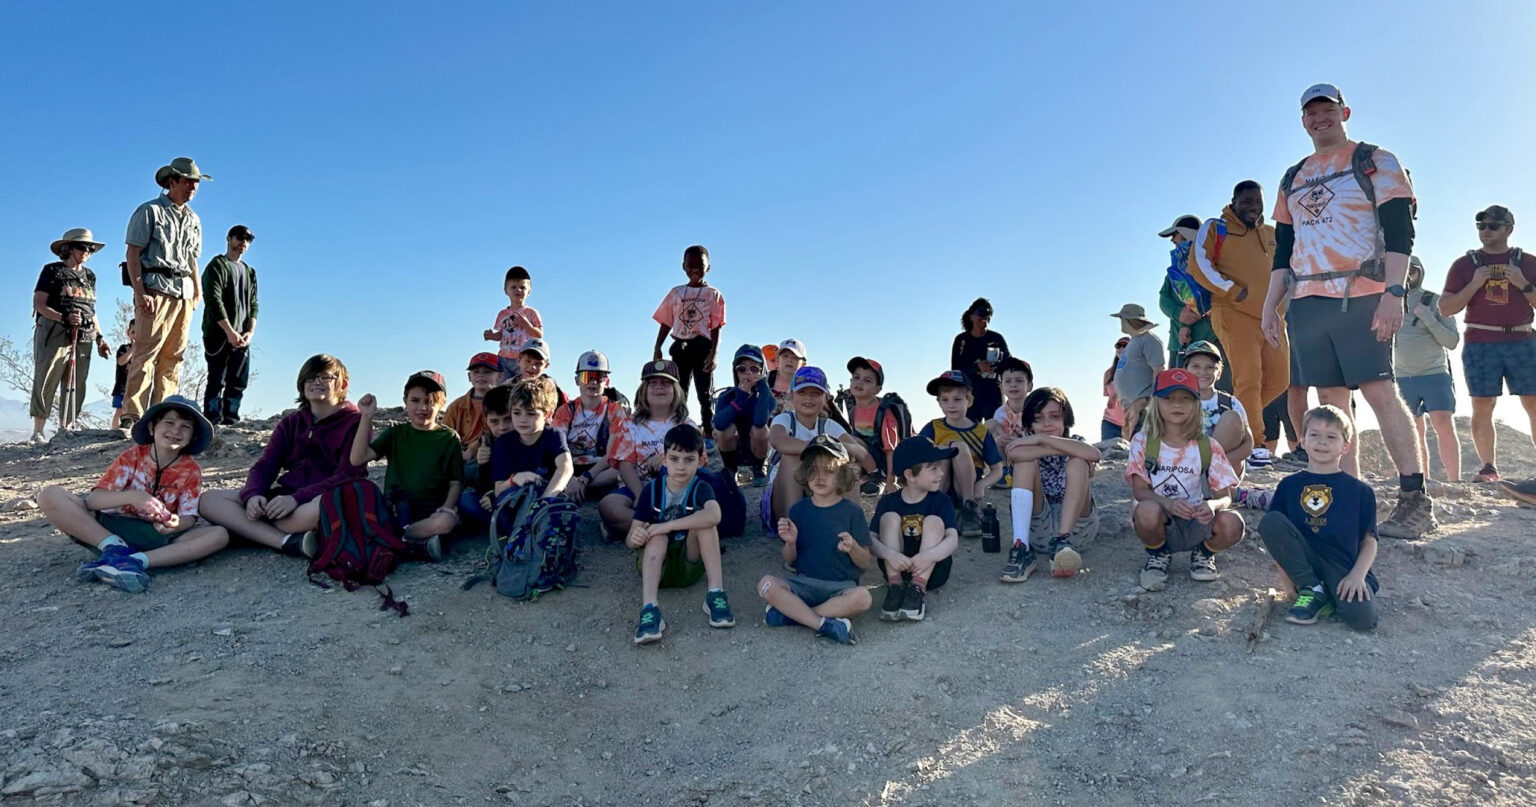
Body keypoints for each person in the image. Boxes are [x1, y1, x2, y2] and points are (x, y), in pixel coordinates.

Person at [1259, 83, 1433, 539]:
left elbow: (1400, 233)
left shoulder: (1375, 160)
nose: (1320, 118)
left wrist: (1393, 293)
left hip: (1362, 292)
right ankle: (1348, 500)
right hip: (1308, 300)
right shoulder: (1292, 177)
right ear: (1302, 120)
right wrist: (1268, 307)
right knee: (1331, 402)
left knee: (1378, 391)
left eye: (1328, 110)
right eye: (1311, 112)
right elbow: (1284, 249)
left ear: (1345, 112)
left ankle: (1415, 500)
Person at [38, 396, 227, 593]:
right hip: (109, 529)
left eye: (185, 427)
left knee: (219, 535)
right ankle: (114, 548)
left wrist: (173, 523)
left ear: (193, 436)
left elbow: (189, 518)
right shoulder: (132, 457)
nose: (175, 431)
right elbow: (94, 501)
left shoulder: (191, 470)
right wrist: (133, 497)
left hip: (157, 537)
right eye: (169, 422)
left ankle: (133, 561)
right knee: (49, 494)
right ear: (153, 428)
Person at [198, 354, 365, 555]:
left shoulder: (355, 422)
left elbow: (348, 474)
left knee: (328, 506)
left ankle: (250, 530)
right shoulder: (291, 423)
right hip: (283, 497)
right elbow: (266, 465)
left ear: (342, 383)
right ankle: (287, 542)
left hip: (315, 500)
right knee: (208, 500)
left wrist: (296, 499)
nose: (316, 382)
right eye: (310, 378)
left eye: (325, 377)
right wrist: (254, 495)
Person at [1189, 181, 1289, 463]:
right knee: (1249, 378)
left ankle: (1230, 418)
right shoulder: (1215, 227)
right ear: (1233, 201)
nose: (1252, 206)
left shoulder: (1272, 233)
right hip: (1232, 311)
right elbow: (1198, 264)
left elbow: (1290, 267)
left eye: (1257, 200)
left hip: (1272, 317)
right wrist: (1233, 290)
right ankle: (1255, 444)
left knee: (1281, 379)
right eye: (1245, 201)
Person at [1259, 405, 1379, 631]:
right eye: (1314, 435)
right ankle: (1312, 588)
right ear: (1303, 441)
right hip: (1304, 563)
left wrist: (1357, 576)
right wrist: (1287, 579)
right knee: (1270, 520)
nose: (1322, 442)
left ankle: (1325, 594)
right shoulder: (1289, 485)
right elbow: (1278, 537)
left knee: (1363, 620)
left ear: (1345, 446)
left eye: (1331, 437)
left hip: (1342, 565)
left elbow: (1370, 540)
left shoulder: (1361, 491)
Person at [1439, 205, 1536, 484]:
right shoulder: (1464, 265)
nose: (1486, 231)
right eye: (1481, 225)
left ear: (1509, 228)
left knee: (1533, 402)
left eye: (1493, 226)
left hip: (1523, 339)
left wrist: (1522, 283)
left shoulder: (1528, 263)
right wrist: (1473, 284)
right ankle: (1488, 468)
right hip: (1481, 341)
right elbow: (1445, 308)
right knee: (1482, 404)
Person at [1127, 370, 1244, 591]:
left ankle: (1203, 553)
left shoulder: (1208, 446)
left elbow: (1225, 497)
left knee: (1233, 523)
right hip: (1161, 518)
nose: (1176, 405)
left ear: (1196, 404)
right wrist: (1167, 503)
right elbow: (1140, 491)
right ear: (1156, 403)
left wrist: (1212, 505)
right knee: (1146, 510)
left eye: (1185, 399)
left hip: (1196, 520)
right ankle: (1158, 553)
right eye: (1168, 398)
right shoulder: (1142, 441)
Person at [120, 157, 211, 437]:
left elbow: (194, 259)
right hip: (155, 288)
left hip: (184, 292)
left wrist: (198, 292)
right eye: (188, 181)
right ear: (172, 182)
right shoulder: (149, 211)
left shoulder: (194, 219)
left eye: (195, 182)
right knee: (146, 352)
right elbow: (133, 253)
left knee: (174, 356)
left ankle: (163, 414)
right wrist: (140, 292)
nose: (193, 187)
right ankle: (132, 416)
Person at [757, 436, 872, 645]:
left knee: (863, 598)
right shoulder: (799, 509)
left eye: (828, 471)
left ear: (842, 475)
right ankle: (823, 624)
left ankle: (794, 616)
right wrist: (790, 542)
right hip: (803, 585)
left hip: (841, 588)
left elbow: (865, 562)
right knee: (765, 584)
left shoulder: (852, 512)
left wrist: (853, 547)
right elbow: (790, 560)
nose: (820, 477)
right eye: (813, 470)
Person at [628, 424, 733, 644]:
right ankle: (650, 609)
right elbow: (631, 538)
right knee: (656, 537)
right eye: (674, 459)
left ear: (701, 460)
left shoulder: (701, 487)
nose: (681, 467)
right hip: (658, 567)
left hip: (689, 565)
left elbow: (715, 515)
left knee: (704, 525)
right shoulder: (652, 490)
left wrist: (666, 525)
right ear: (663, 459)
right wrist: (636, 537)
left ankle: (715, 593)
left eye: (689, 459)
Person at [349, 371, 464, 561]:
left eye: (429, 401)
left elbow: (456, 482)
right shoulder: (396, 432)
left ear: (441, 403)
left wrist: (447, 506)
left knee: (447, 521)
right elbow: (357, 459)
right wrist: (366, 417)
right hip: (395, 508)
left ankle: (394, 538)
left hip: (430, 513)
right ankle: (413, 544)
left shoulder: (449, 438)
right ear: (405, 401)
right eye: (415, 400)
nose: (422, 407)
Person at [1000, 387, 1101, 582]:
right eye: (1039, 418)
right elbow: (1013, 454)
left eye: (1054, 417)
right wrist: (1050, 447)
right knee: (1025, 464)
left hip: (1077, 529)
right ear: (1030, 422)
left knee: (1079, 462)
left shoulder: (1076, 441)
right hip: (1039, 526)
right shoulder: (1025, 443)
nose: (1047, 424)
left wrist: (1043, 439)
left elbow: (1094, 455)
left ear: (1065, 419)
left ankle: (1062, 543)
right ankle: (1021, 548)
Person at [30, 228, 112, 441]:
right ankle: (38, 430)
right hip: (54, 331)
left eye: (90, 248)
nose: (87, 251)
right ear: (69, 249)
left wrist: (100, 337)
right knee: (47, 375)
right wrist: (62, 317)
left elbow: (91, 311)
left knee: (76, 381)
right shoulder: (52, 271)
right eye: (82, 247)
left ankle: (65, 428)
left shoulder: (90, 277)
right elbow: (39, 304)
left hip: (84, 333)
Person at [598, 360, 694, 538]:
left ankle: (643, 531)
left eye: (666, 383)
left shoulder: (687, 426)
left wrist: (667, 460)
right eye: (652, 384)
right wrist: (641, 497)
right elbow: (625, 465)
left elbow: (697, 463)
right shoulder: (629, 424)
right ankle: (667, 532)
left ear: (676, 390)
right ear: (643, 390)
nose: (659, 388)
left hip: (677, 490)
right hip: (637, 487)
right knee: (609, 505)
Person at [868, 436, 960, 622]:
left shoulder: (941, 501)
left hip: (933, 569)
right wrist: (889, 554)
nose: (941, 473)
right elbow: (871, 538)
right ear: (910, 475)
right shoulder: (888, 501)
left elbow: (952, 538)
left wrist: (929, 556)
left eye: (940, 467)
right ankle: (896, 587)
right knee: (889, 518)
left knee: (934, 521)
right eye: (933, 468)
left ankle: (917, 589)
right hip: (895, 566)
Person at [767, 366, 872, 524]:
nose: (808, 398)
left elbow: (861, 453)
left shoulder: (829, 425)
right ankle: (795, 528)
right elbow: (778, 441)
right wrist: (818, 447)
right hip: (783, 494)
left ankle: (853, 527)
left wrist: (834, 447)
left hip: (820, 492)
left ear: (825, 398)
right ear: (791, 395)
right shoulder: (784, 420)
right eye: (802, 392)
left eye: (815, 393)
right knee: (791, 459)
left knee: (850, 466)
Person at [1395, 257, 1461, 482]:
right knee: (1413, 431)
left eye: (1411, 270)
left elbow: (1452, 341)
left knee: (1443, 424)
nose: (1407, 275)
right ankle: (1421, 480)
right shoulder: (1387, 302)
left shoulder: (1435, 301)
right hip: (1402, 377)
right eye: (1402, 270)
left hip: (1434, 375)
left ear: (1419, 272)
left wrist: (1428, 317)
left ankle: (1454, 480)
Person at [918, 370, 1005, 534]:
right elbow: (919, 455)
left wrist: (982, 485)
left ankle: (969, 510)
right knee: (941, 450)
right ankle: (936, 508)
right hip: (939, 482)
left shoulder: (981, 431)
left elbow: (997, 469)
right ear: (939, 402)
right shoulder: (933, 427)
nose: (951, 405)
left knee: (959, 447)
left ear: (969, 400)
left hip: (967, 485)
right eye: (945, 400)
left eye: (957, 399)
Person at [652, 245, 725, 430]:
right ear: (683, 266)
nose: (695, 270)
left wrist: (714, 354)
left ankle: (708, 431)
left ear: (708, 267)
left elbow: (717, 326)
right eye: (690, 265)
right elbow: (667, 322)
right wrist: (658, 346)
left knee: (704, 393)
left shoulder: (713, 294)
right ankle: (678, 427)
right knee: (679, 390)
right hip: (680, 347)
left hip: (702, 347)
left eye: (700, 265)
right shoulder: (676, 293)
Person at [551, 350, 627, 503]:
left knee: (620, 470)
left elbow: (611, 455)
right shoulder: (565, 410)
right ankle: (571, 486)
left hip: (599, 468)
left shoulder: (615, 411)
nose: (593, 382)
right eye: (587, 376)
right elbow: (555, 448)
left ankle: (575, 488)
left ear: (607, 381)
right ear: (577, 380)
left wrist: (585, 479)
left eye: (599, 377)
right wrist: (569, 476)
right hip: (569, 465)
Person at [200, 224, 258, 424]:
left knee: (238, 381)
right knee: (217, 380)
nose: (243, 243)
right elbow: (213, 300)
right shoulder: (217, 265)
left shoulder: (249, 272)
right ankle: (212, 421)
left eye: (248, 239)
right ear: (229, 238)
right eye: (240, 237)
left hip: (242, 336)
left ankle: (230, 420)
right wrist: (229, 331)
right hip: (219, 334)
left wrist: (250, 331)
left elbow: (253, 303)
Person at [1157, 215, 1224, 377]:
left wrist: (1193, 316)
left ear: (1187, 234)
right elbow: (1163, 298)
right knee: (1177, 396)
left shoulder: (1213, 263)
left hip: (1212, 341)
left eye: (1175, 235)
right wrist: (1179, 314)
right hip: (1178, 346)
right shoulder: (1173, 271)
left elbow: (1219, 295)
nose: (1173, 240)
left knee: (1214, 394)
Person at [491, 376, 573, 500]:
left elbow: (566, 467)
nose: (522, 419)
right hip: (516, 500)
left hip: (546, 494)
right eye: (517, 413)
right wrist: (515, 479)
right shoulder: (504, 442)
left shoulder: (554, 435)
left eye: (530, 413)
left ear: (548, 415)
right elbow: (498, 490)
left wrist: (545, 500)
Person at [1181, 340, 1255, 467]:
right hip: (1183, 464)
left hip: (1221, 466)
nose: (1203, 372)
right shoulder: (1176, 401)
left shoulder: (1230, 403)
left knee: (1232, 417)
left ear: (1219, 372)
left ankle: (1205, 468)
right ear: (1185, 370)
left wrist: (1216, 461)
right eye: (1196, 366)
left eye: (1210, 367)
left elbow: (1248, 444)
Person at [712, 344, 774, 486]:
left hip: (757, 448)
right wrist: (740, 398)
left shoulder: (767, 397)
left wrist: (763, 390)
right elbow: (720, 424)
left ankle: (759, 468)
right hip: (734, 449)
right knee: (725, 429)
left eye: (754, 369)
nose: (748, 374)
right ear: (735, 372)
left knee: (761, 430)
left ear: (762, 371)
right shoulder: (726, 395)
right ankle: (730, 468)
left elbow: (760, 421)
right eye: (742, 369)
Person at [842, 356, 902, 495]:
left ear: (877, 389)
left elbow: (891, 449)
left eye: (867, 380)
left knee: (850, 440)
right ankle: (864, 475)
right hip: (866, 457)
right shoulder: (853, 410)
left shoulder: (883, 412)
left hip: (884, 463)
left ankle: (877, 477)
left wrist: (891, 480)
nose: (860, 382)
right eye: (856, 377)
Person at [461, 383, 517, 528]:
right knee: (465, 499)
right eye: (494, 422)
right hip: (493, 497)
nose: (502, 427)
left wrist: (494, 496)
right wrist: (482, 464)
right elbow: (484, 482)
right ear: (486, 420)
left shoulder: (525, 439)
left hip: (515, 498)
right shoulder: (487, 440)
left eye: (508, 419)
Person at [950, 297, 1011, 423]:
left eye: (988, 314)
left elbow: (1009, 364)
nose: (985, 317)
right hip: (970, 395)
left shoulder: (997, 338)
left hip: (993, 393)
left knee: (995, 431)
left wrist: (996, 366)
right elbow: (955, 370)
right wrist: (976, 367)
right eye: (981, 313)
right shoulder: (962, 340)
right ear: (971, 316)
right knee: (969, 432)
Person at [1111, 303, 1166, 435]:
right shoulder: (1133, 341)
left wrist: (1151, 400)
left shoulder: (1149, 340)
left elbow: (1158, 370)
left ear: (1130, 321)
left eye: (1122, 319)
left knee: (1140, 445)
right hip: (1128, 406)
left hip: (1141, 406)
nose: (1121, 323)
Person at [483, 265, 543, 383]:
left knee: (522, 385)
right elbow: (501, 334)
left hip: (523, 358)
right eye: (514, 287)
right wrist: (491, 336)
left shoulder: (531, 313)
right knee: (503, 386)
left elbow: (539, 335)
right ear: (506, 290)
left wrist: (527, 325)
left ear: (529, 291)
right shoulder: (503, 314)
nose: (518, 290)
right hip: (504, 357)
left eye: (522, 287)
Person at [445, 352, 500, 464]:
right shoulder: (456, 406)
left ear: (500, 376)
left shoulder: (505, 402)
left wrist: (474, 447)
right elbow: (445, 436)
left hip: (493, 451)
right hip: (461, 454)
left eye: (487, 372)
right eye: (476, 372)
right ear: (469, 377)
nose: (481, 375)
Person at [986, 357, 1034, 486]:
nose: (1013, 385)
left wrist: (1021, 442)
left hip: (1032, 450)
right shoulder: (1000, 413)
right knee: (991, 425)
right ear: (1001, 387)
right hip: (1011, 451)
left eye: (1019, 381)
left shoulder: (1035, 409)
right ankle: (1004, 471)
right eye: (1008, 381)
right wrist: (999, 441)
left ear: (1029, 386)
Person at [509, 338, 570, 407]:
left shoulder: (553, 390)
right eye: (528, 361)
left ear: (546, 366)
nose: (533, 367)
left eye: (538, 363)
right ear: (519, 360)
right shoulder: (507, 387)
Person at [765, 338, 808, 416]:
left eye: (795, 357)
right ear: (778, 359)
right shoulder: (765, 380)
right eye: (785, 356)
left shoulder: (808, 386)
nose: (789, 360)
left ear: (803, 363)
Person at [1100, 337, 1129, 441]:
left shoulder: (1139, 371)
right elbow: (1110, 401)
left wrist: (1117, 394)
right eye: (1118, 345)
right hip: (1111, 423)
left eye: (1125, 345)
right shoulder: (1108, 373)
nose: (1121, 348)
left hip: (1134, 423)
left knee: (1138, 456)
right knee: (1108, 456)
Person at [109, 320, 136, 431]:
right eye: (133, 332)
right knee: (120, 410)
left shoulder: (144, 352)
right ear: (128, 333)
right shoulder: (124, 348)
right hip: (122, 387)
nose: (136, 335)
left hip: (134, 387)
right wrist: (132, 350)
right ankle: (114, 429)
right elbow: (121, 362)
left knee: (132, 411)